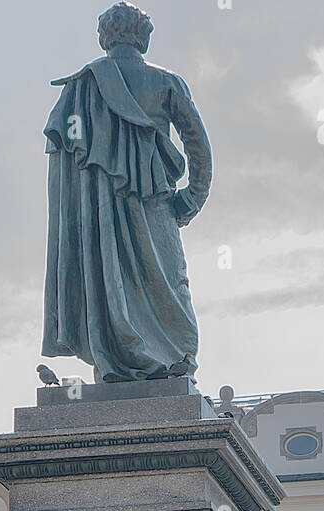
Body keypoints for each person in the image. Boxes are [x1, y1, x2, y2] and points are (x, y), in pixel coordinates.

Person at [42, 3, 212, 383]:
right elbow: (199, 147)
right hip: (156, 207)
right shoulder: (167, 82)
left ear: (105, 38)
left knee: (112, 285)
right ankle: (174, 362)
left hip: (100, 215)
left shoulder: (80, 88)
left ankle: (116, 361)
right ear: (144, 38)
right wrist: (191, 199)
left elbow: (68, 162)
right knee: (170, 286)